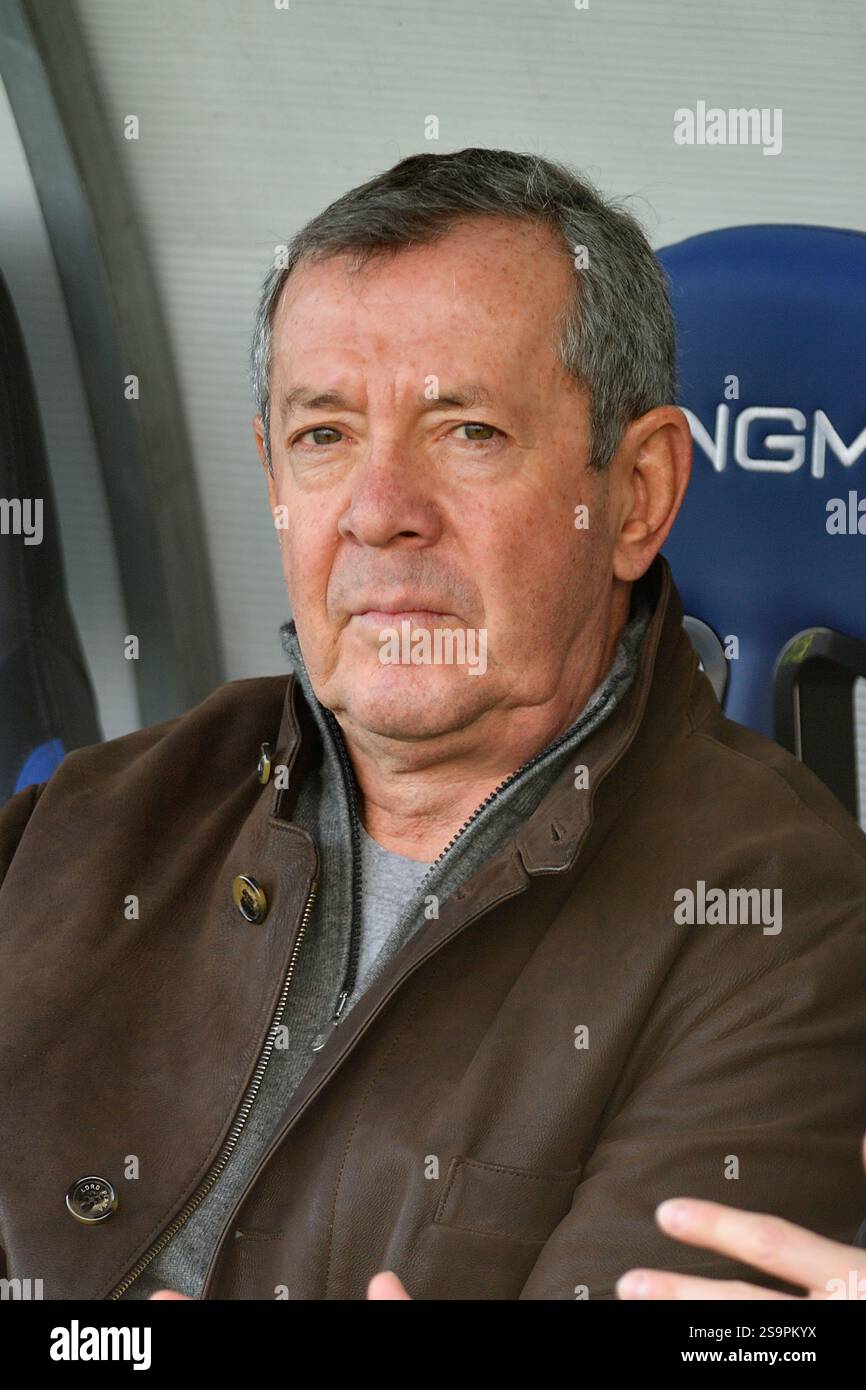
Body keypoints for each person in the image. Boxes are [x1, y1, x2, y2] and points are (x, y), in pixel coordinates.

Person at [1, 149, 864, 1302]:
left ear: (636, 494)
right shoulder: (92, 813)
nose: (377, 512)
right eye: (323, 437)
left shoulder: (782, 926)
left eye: (467, 431)